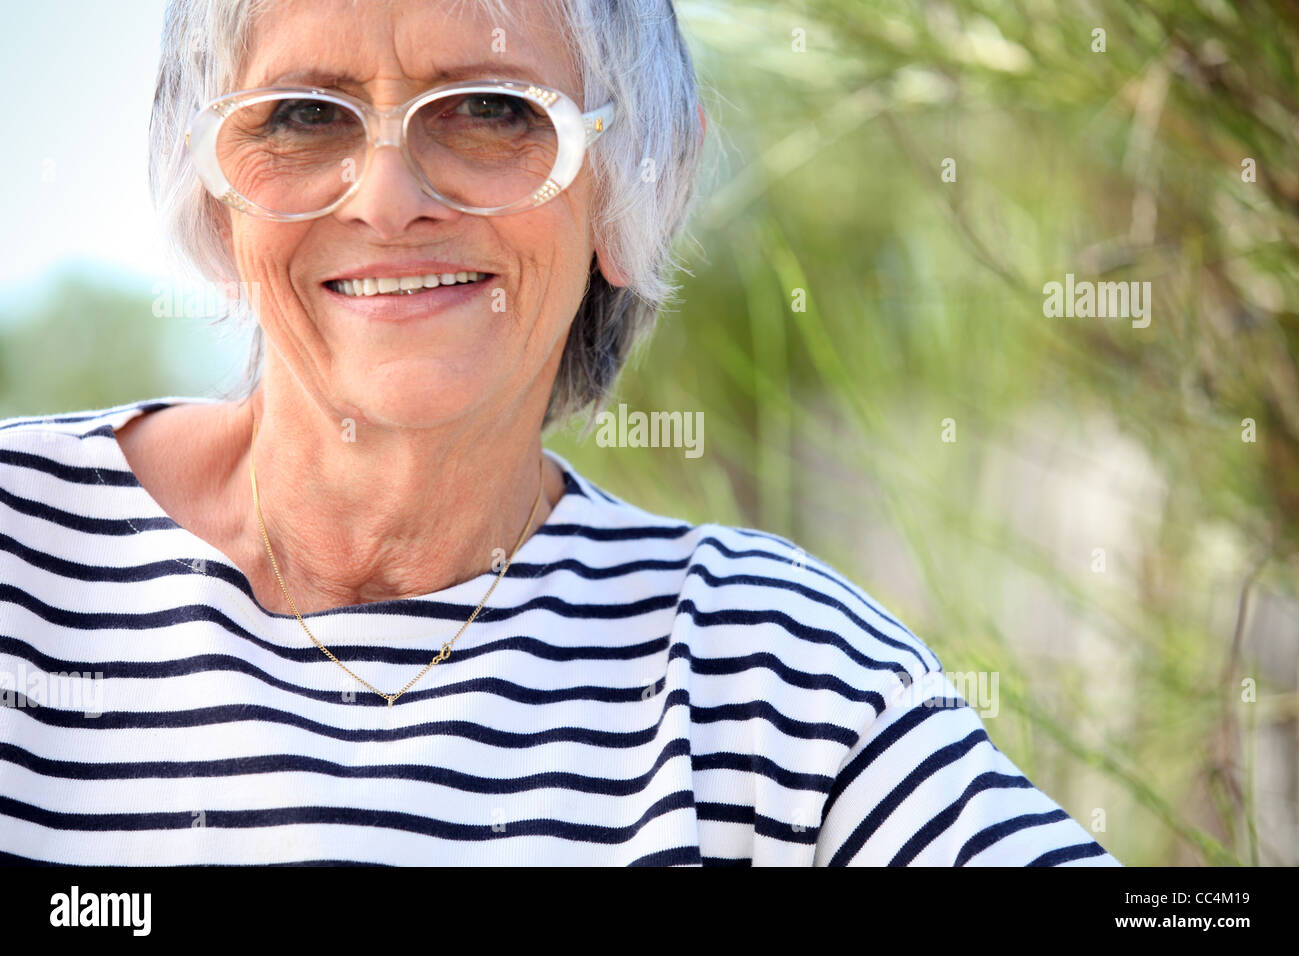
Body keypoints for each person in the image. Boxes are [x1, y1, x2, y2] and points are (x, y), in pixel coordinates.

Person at [0, 0, 1118, 866]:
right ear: (214, 190)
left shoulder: (763, 664)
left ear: (638, 177)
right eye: (301, 115)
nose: (386, 200)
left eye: (490, 109)